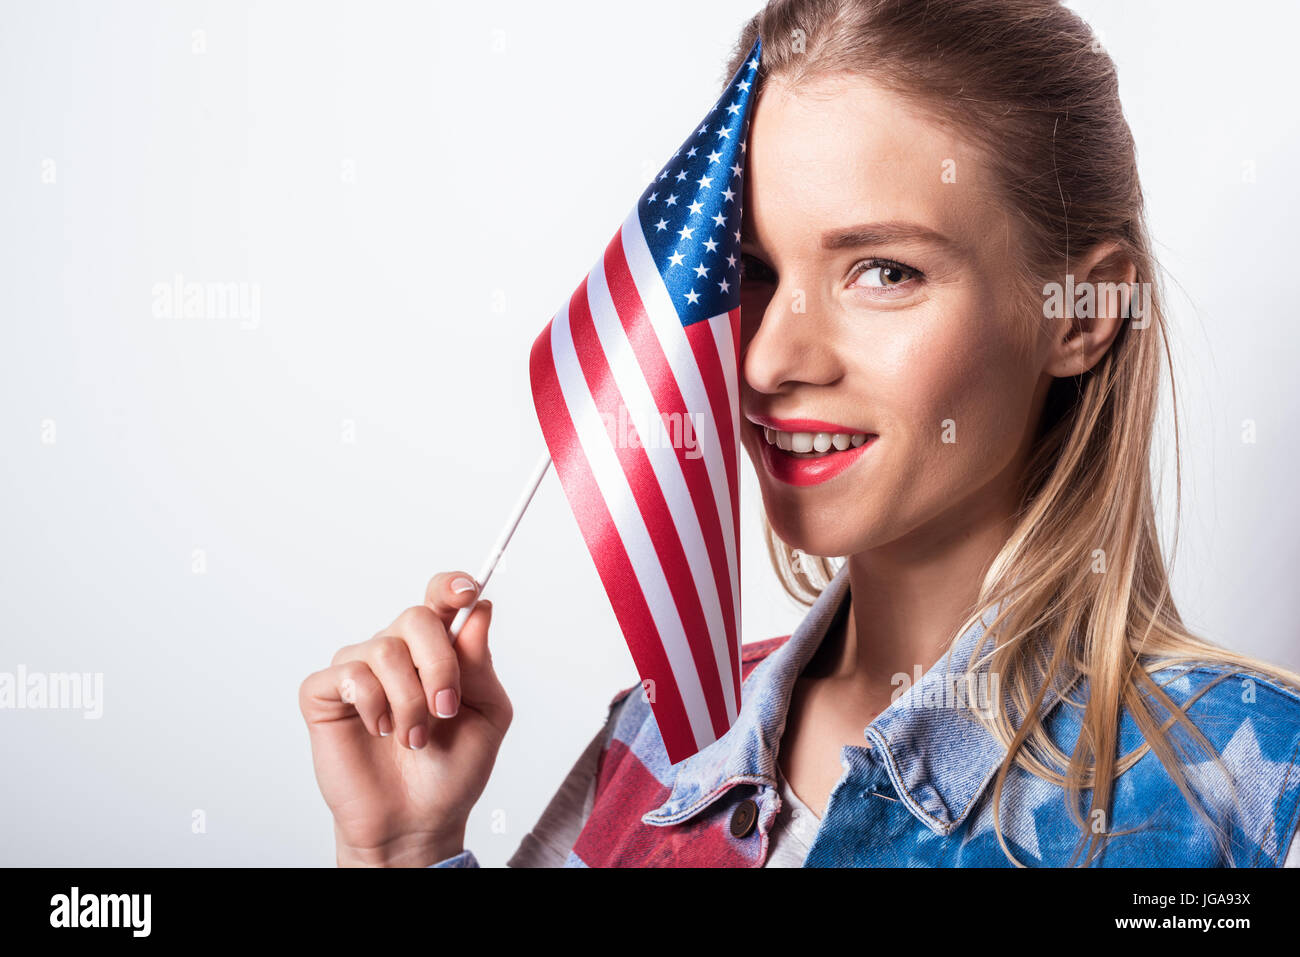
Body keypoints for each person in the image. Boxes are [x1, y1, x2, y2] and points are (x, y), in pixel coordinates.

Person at [298, 0, 1300, 867]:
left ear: (1082, 311)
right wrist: (401, 851)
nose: (769, 359)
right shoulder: (654, 742)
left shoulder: (1252, 795)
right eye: (752, 270)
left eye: (883, 271)